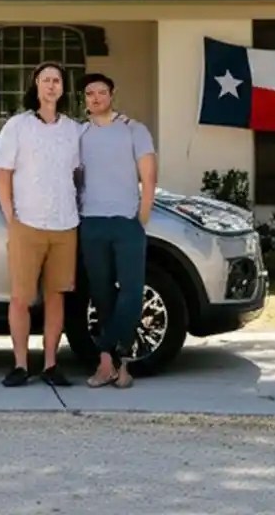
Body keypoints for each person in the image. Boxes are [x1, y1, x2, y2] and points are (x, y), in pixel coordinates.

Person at [0, 62, 82, 387]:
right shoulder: (17, 127)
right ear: (36, 85)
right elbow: (3, 173)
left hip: (64, 224)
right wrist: (10, 217)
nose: (51, 86)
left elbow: (77, 173)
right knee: (20, 297)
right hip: (26, 223)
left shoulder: (73, 130)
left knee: (57, 295)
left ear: (62, 88)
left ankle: (50, 364)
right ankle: (19, 364)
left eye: (57, 80)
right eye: (46, 80)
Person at [76, 72, 157, 388]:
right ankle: (115, 365)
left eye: (101, 92)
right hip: (92, 221)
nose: (95, 98)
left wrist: (142, 216)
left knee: (132, 293)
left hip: (127, 222)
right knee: (102, 295)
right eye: (89, 93)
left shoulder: (134, 130)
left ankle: (105, 351)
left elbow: (149, 177)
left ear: (112, 94)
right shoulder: (80, 134)